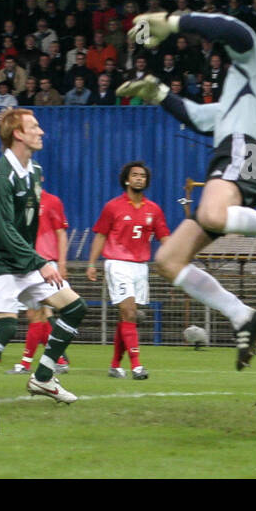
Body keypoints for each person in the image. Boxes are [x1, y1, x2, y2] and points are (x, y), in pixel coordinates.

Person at [117, 10, 256, 369]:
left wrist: (170, 21)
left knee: (211, 214)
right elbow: (200, 118)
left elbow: (230, 28)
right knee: (169, 260)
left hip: (240, 150)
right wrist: (160, 93)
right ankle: (242, 315)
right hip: (245, 155)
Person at [0, 109, 87, 410]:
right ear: (18, 134)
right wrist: (40, 261)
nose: (41, 131)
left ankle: (43, 377)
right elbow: (3, 228)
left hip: (24, 261)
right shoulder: (0, 174)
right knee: (7, 326)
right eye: (34, 126)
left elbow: (24, 227)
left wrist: (34, 260)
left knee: (76, 308)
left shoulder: (35, 173)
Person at [84, 162, 171, 379]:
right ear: (126, 180)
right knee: (130, 312)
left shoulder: (154, 209)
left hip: (141, 267)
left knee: (127, 317)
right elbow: (101, 235)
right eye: (135, 175)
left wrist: (175, 258)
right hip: (117, 263)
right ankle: (137, 366)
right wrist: (92, 263)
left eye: (142, 176)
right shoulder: (113, 206)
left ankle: (115, 365)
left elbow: (164, 238)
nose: (139, 179)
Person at [6, 177, 72, 377]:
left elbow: (61, 233)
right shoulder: (17, 202)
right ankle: (59, 359)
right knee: (37, 315)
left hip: (46, 265)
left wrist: (61, 263)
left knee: (38, 315)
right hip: (27, 265)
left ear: (41, 178)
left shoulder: (52, 201)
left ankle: (26, 364)